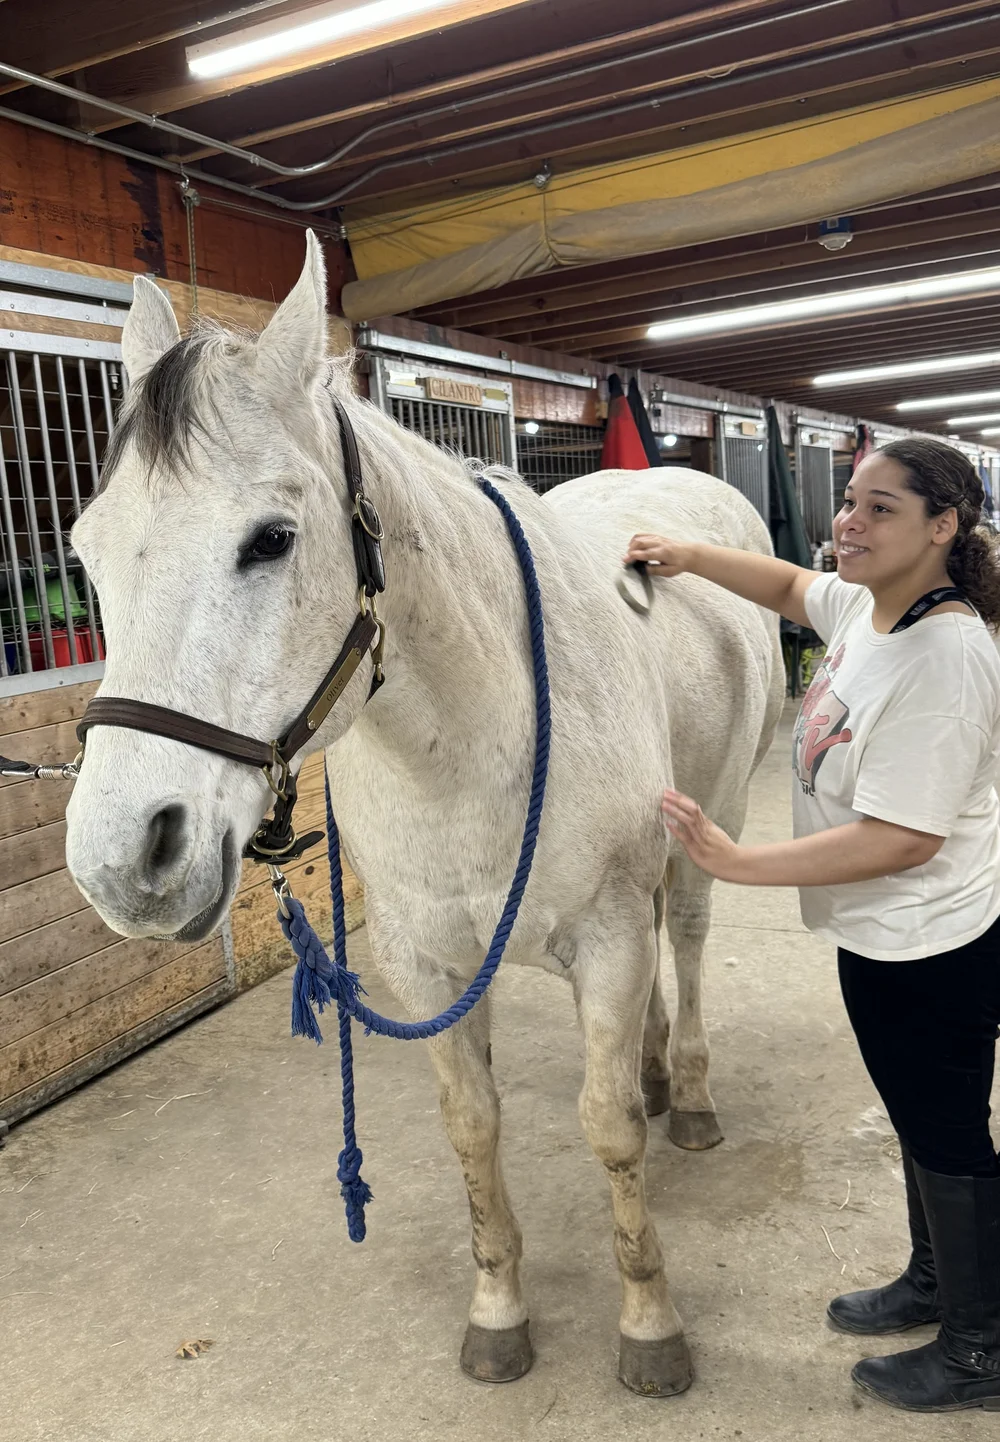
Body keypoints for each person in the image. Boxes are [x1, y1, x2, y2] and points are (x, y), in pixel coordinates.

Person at [625, 438, 1000, 1414]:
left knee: (949, 1133)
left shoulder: (945, 652)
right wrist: (687, 553)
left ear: (943, 526)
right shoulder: (871, 609)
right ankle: (933, 1282)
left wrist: (736, 862)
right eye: (847, 501)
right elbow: (792, 583)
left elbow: (905, 837)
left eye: (879, 508)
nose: (848, 523)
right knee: (919, 1117)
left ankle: (979, 1345)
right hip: (875, 934)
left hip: (932, 938)